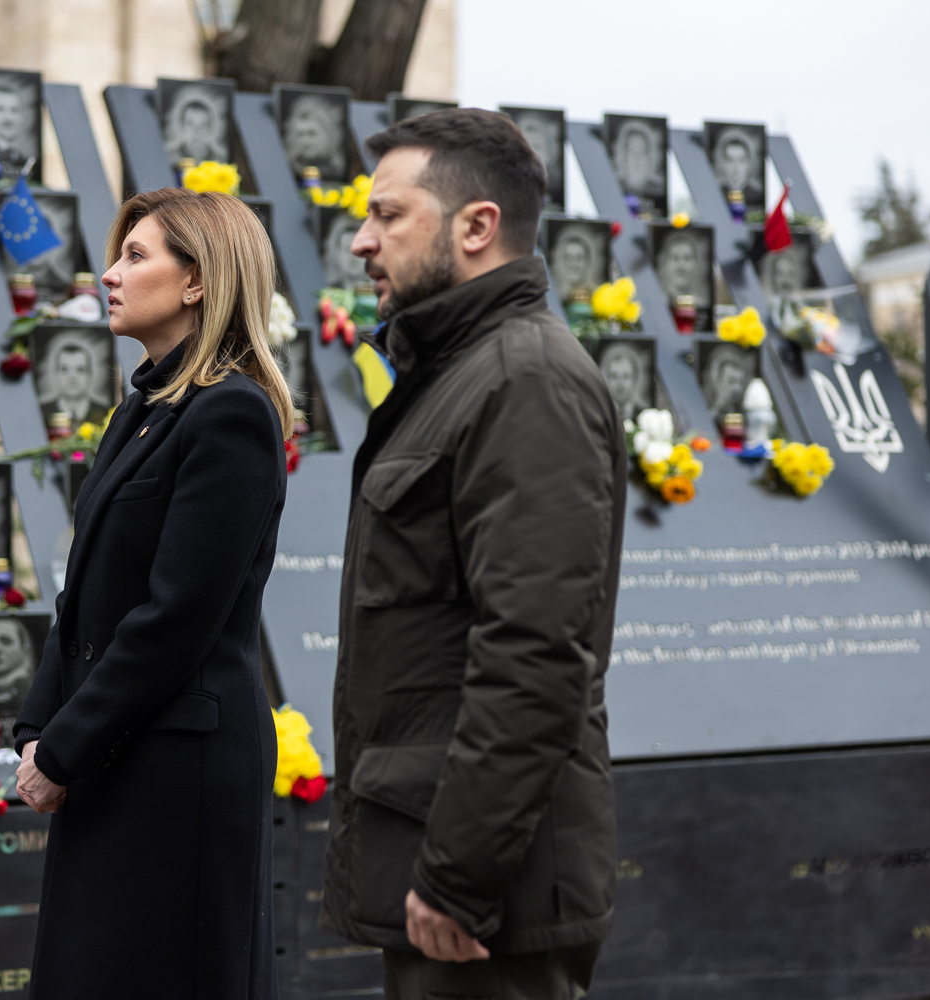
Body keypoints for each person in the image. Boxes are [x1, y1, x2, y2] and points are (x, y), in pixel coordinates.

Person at [323, 108, 626, 999]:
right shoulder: (460, 376)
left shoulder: (523, 380)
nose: (361, 243)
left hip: (488, 897)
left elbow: (534, 653)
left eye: (387, 216)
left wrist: (458, 873)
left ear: (477, 225)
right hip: (451, 867)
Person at [11, 186, 296, 998]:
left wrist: (65, 748)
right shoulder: (144, 408)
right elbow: (85, 598)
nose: (109, 273)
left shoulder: (230, 414)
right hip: (116, 751)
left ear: (199, 281)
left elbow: (176, 616)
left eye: (136, 256)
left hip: (178, 767)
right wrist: (39, 727)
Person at [37, 332, 110, 426]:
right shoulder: (39, 413)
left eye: (80, 369)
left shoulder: (107, 414)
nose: (72, 377)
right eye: (64, 369)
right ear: (55, 374)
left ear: (90, 374)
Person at [284, 93, 346, 181]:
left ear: (328, 134)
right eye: (300, 134)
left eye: (311, 133)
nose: (305, 141)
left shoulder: (337, 168)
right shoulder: (288, 167)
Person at [598, 341, 649, 423]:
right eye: (614, 376)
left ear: (635, 379)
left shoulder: (645, 415)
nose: (620, 384)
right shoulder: (598, 414)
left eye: (626, 377)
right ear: (606, 379)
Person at [656, 230, 708, 309]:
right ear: (665, 263)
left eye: (687, 258)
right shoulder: (657, 301)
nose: (681, 265)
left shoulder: (702, 304)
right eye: (675, 258)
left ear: (695, 264)